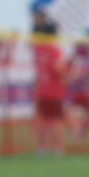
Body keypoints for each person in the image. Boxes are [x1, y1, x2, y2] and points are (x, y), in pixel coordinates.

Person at [30, 12, 67, 155]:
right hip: (54, 90)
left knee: (42, 120)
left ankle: (41, 148)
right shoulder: (55, 49)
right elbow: (57, 69)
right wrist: (69, 69)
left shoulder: (38, 48)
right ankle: (57, 147)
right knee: (56, 120)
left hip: (41, 89)